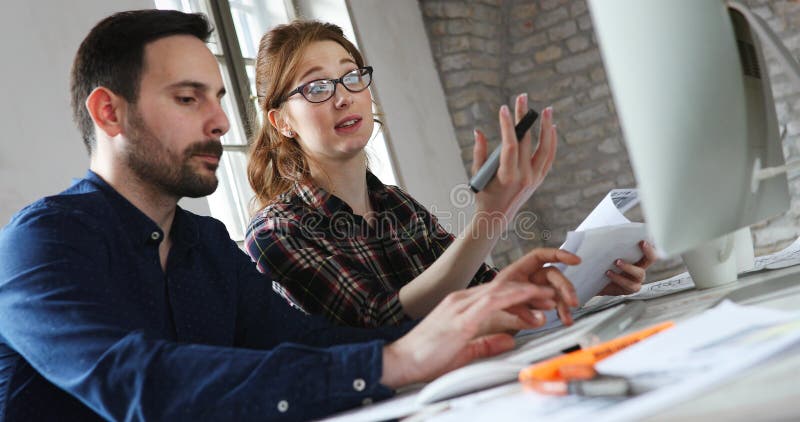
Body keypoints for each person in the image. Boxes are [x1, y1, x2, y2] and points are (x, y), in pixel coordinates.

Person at [0, 9, 582, 421]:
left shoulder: (205, 244)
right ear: (109, 112)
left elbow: (315, 345)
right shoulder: (41, 243)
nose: (221, 122)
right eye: (187, 98)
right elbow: (140, 385)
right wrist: (403, 356)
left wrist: (480, 312)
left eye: (219, 99)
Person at [245, 20, 657, 328]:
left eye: (351, 76)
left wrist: (584, 279)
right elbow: (380, 321)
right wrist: (491, 216)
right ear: (282, 122)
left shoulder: (397, 204)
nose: (344, 97)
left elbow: (483, 292)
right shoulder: (275, 233)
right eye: (317, 87)